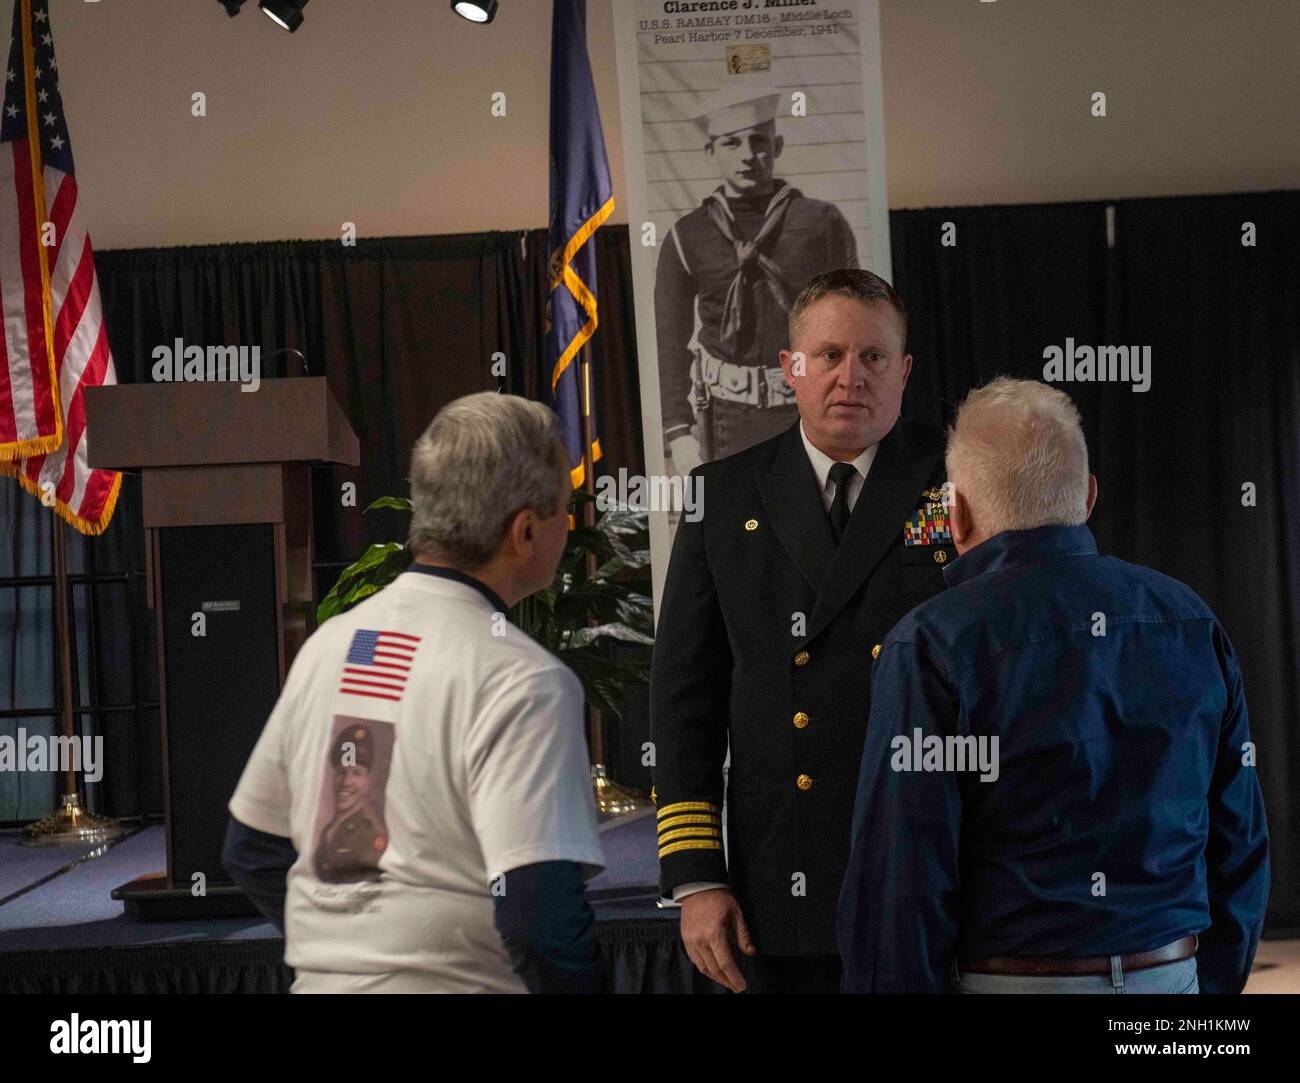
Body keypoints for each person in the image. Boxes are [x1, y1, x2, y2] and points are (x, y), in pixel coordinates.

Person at [837, 377, 1270, 994]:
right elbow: (1240, 841)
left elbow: (901, 882)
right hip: (1173, 980)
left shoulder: (930, 644)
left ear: (954, 512)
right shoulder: (1189, 620)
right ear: (1088, 496)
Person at [222, 392, 605, 993]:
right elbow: (539, 920)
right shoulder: (524, 680)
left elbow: (253, 849)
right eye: (564, 509)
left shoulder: (332, 645)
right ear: (526, 531)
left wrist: (353, 958)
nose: (570, 525)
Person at [650, 268, 954, 994]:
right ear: (791, 367)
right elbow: (685, 699)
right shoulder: (722, 496)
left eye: (874, 356)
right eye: (829, 355)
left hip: (930, 864)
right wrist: (696, 876)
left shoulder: (959, 481)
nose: (852, 376)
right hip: (781, 875)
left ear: (904, 370)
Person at [655, 77, 859, 472]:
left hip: (809, 413)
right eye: (731, 143)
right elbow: (670, 342)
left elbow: (853, 327)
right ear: (711, 152)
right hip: (725, 420)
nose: (747, 155)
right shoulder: (686, 236)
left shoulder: (822, 223)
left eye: (758, 141)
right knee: (738, 513)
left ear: (776, 146)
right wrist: (677, 430)